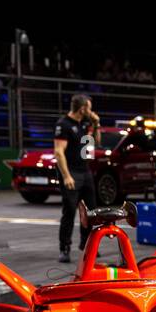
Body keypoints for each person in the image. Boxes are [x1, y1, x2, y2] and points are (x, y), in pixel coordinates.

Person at [55, 93, 100, 263]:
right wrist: (66, 176)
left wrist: (96, 124)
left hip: (85, 170)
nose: (91, 110)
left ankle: (86, 245)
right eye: (89, 107)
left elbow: (95, 143)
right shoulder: (63, 124)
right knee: (69, 211)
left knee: (91, 211)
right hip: (70, 171)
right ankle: (64, 248)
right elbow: (58, 152)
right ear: (82, 109)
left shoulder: (87, 123)